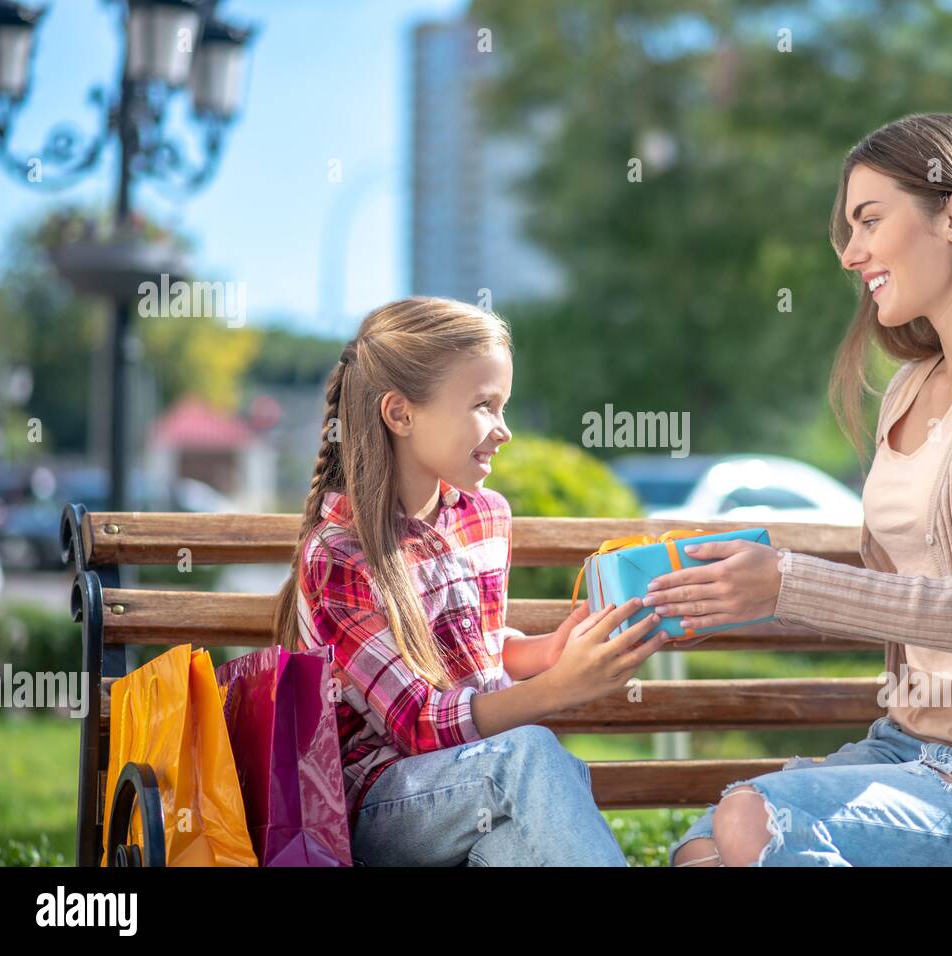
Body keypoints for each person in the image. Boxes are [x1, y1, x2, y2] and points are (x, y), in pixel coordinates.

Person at [659, 113, 952, 866]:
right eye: (848, 231)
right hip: (907, 751)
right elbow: (905, 587)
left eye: (868, 221)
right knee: (701, 847)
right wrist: (732, 587)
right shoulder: (908, 389)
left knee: (754, 825)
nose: (851, 254)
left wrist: (784, 583)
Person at [270, 295, 666, 866]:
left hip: (474, 788)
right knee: (526, 757)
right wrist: (559, 689)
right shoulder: (340, 555)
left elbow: (480, 649)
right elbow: (419, 724)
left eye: (503, 406)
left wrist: (549, 652)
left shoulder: (485, 515)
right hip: (376, 813)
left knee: (515, 850)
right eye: (484, 405)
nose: (503, 430)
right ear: (400, 414)